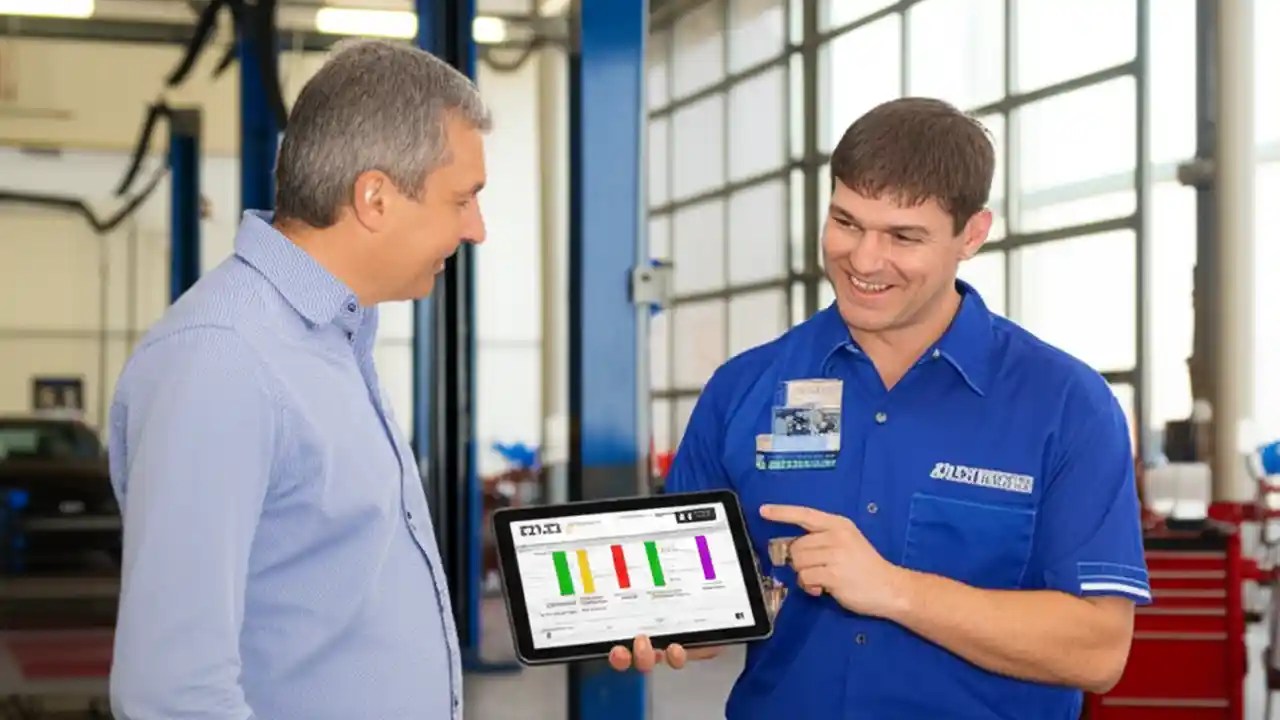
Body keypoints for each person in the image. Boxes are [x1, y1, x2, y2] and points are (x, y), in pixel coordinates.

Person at [609, 97, 1149, 718]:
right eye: (846, 222)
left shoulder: (1066, 406)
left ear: (972, 234)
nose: (864, 260)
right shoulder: (743, 389)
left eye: (903, 236)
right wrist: (654, 622)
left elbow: (1098, 650)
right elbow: (701, 612)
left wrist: (893, 589)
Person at [106, 39, 489, 720]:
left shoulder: (329, 341)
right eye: (461, 200)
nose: (477, 229)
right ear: (375, 197)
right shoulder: (223, 361)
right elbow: (171, 693)